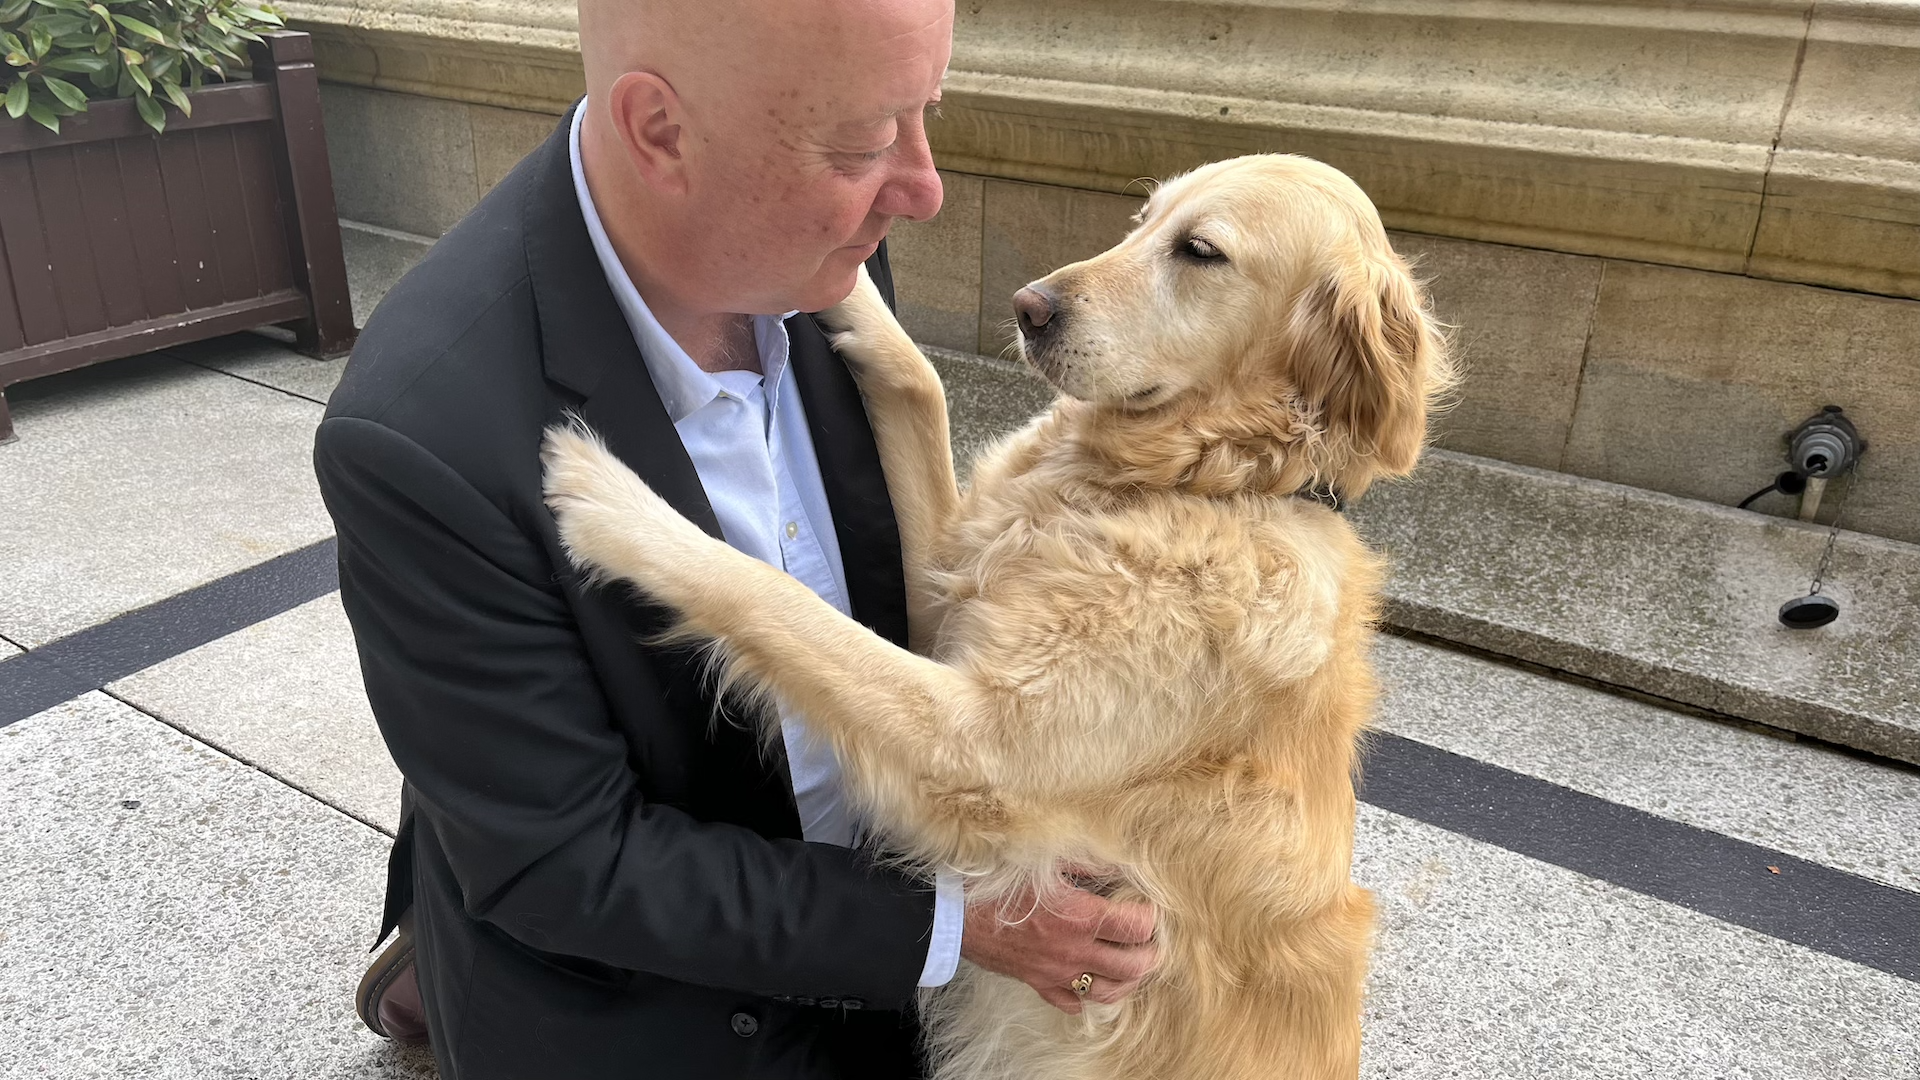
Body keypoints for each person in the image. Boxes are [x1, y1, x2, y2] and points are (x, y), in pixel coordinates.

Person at [313, 1, 1159, 1077]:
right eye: (863, 143)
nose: (924, 187)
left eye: (925, 114)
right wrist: (961, 926)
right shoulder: (420, 435)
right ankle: (438, 961)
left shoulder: (822, 244)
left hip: (900, 908)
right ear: (662, 132)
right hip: (656, 1006)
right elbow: (569, 865)